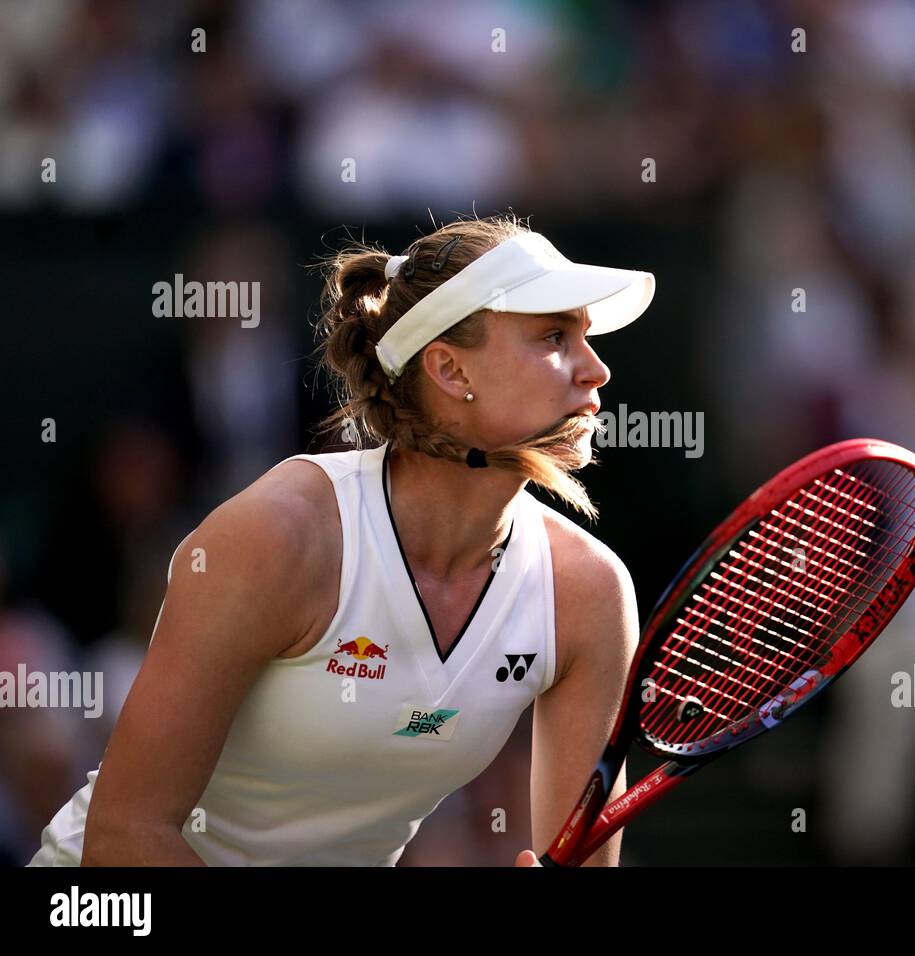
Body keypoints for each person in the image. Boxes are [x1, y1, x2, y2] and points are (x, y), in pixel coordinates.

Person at [29, 214, 654, 866]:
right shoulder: (277, 537)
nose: (597, 370)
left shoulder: (588, 593)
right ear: (448, 368)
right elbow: (124, 835)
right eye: (555, 336)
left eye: (585, 335)